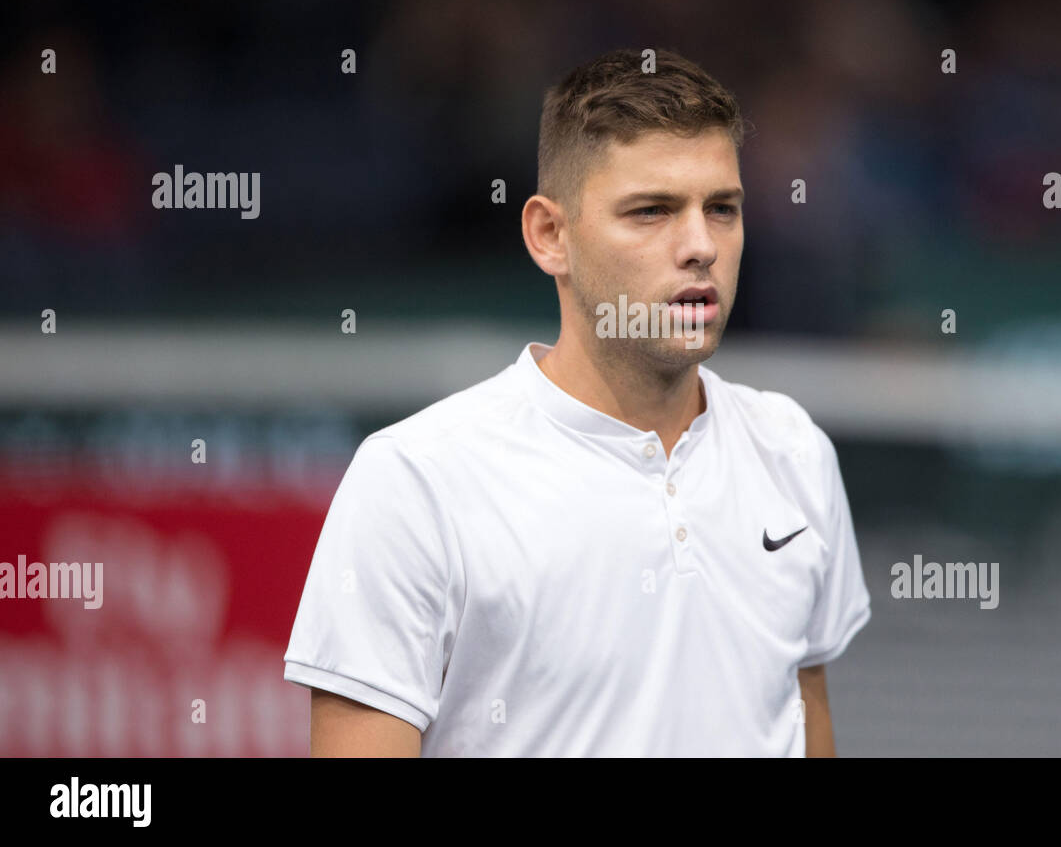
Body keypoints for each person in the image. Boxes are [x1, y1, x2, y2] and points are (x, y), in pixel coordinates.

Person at [283, 48, 871, 756]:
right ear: (549, 235)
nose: (700, 246)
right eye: (651, 211)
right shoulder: (415, 481)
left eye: (722, 209)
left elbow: (806, 722)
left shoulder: (793, 450)